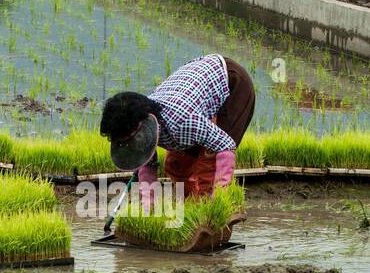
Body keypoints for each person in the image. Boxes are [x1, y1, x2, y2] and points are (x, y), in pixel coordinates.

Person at [100, 55, 255, 206]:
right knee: (176, 166)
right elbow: (147, 164)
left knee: (209, 164)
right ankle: (193, 208)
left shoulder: (183, 122)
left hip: (231, 82)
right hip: (193, 87)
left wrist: (219, 201)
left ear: (143, 128)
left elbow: (225, 145)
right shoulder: (142, 125)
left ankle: (210, 214)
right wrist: (148, 207)